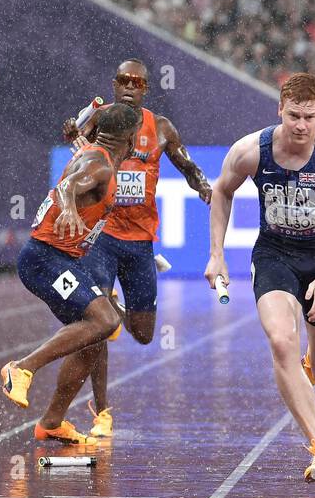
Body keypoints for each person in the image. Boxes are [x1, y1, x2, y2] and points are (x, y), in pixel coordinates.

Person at [204, 72, 315, 481]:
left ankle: (309, 363)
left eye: (310, 117)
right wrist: (217, 254)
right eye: (294, 115)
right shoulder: (251, 151)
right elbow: (221, 190)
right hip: (275, 255)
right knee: (281, 340)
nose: (301, 125)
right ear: (280, 109)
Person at [62, 59, 213, 438]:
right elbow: (74, 141)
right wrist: (71, 134)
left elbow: (187, 165)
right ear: (114, 85)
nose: (130, 86)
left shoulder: (160, 127)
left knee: (143, 334)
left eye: (138, 82)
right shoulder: (99, 120)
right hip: (101, 234)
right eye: (124, 80)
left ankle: (115, 304)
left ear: (146, 89)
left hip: (141, 240)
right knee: (96, 328)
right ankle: (102, 412)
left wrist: (203, 186)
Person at [0, 103, 139, 445]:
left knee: (92, 339)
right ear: (130, 139)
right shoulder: (99, 165)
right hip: (45, 259)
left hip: (64, 259)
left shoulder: (96, 154)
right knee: (106, 320)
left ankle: (52, 422)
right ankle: (22, 368)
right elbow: (68, 187)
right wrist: (71, 209)